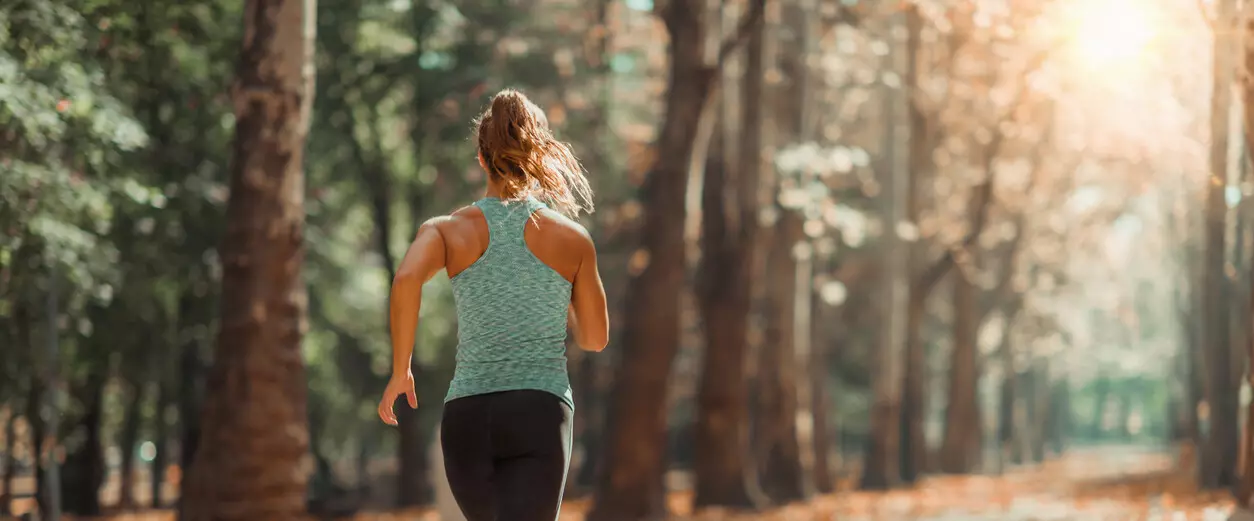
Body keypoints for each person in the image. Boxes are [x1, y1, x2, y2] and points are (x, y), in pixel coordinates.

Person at [378, 88, 609, 521]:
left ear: (481, 159)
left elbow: (407, 278)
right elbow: (595, 339)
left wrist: (400, 369)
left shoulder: (445, 230)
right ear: (538, 157)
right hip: (540, 409)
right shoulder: (573, 239)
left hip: (469, 413)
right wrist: (556, 290)